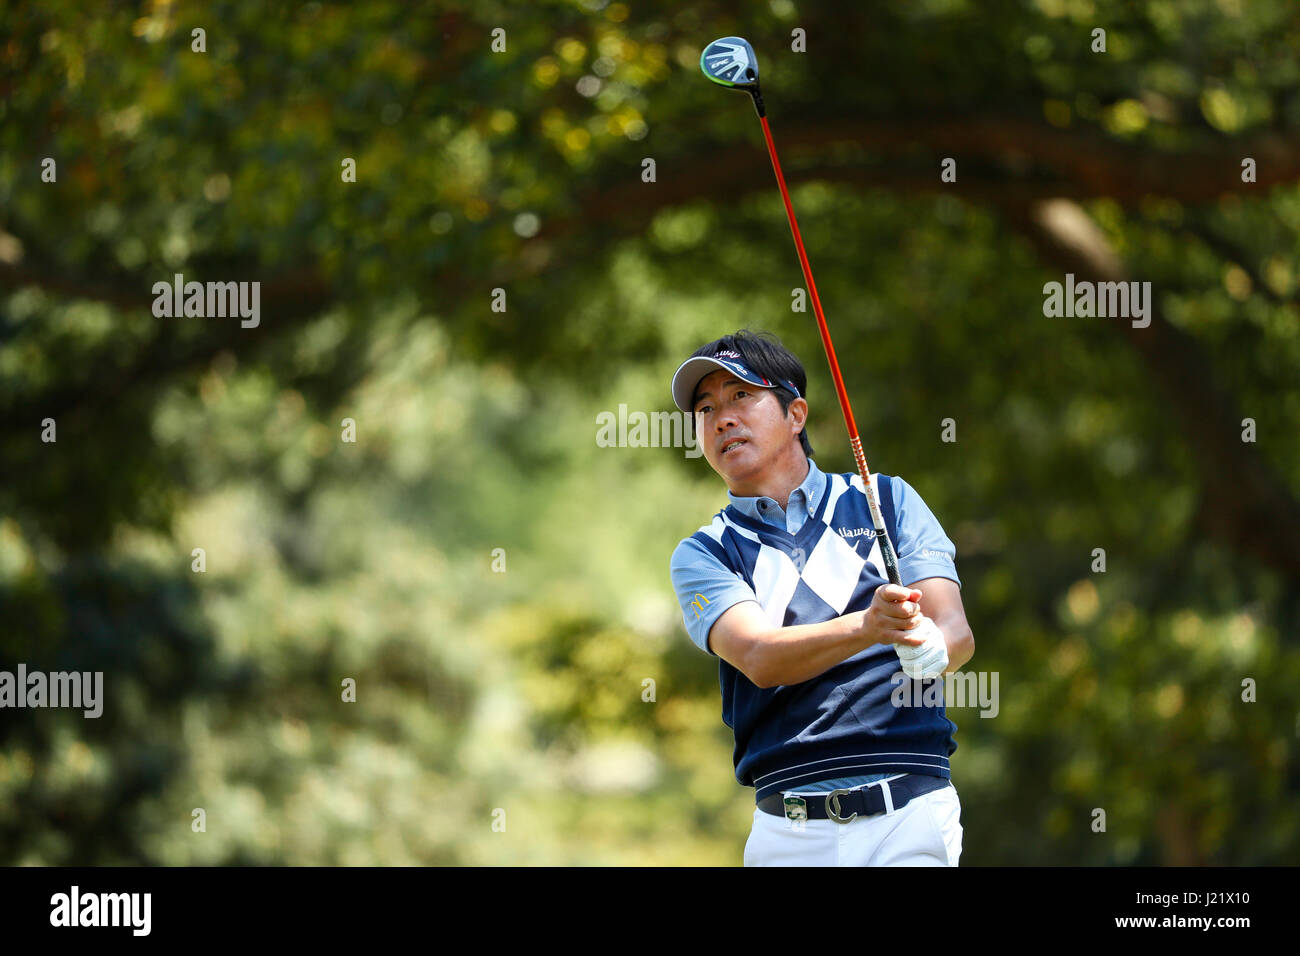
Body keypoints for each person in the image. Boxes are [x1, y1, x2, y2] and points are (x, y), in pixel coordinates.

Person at [668, 329, 975, 866]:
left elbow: (956, 632)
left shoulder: (886, 500)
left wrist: (933, 646)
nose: (723, 417)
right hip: (789, 832)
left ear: (796, 415)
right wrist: (868, 627)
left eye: (742, 395)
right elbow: (761, 658)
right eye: (706, 407)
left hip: (909, 812)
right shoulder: (705, 553)